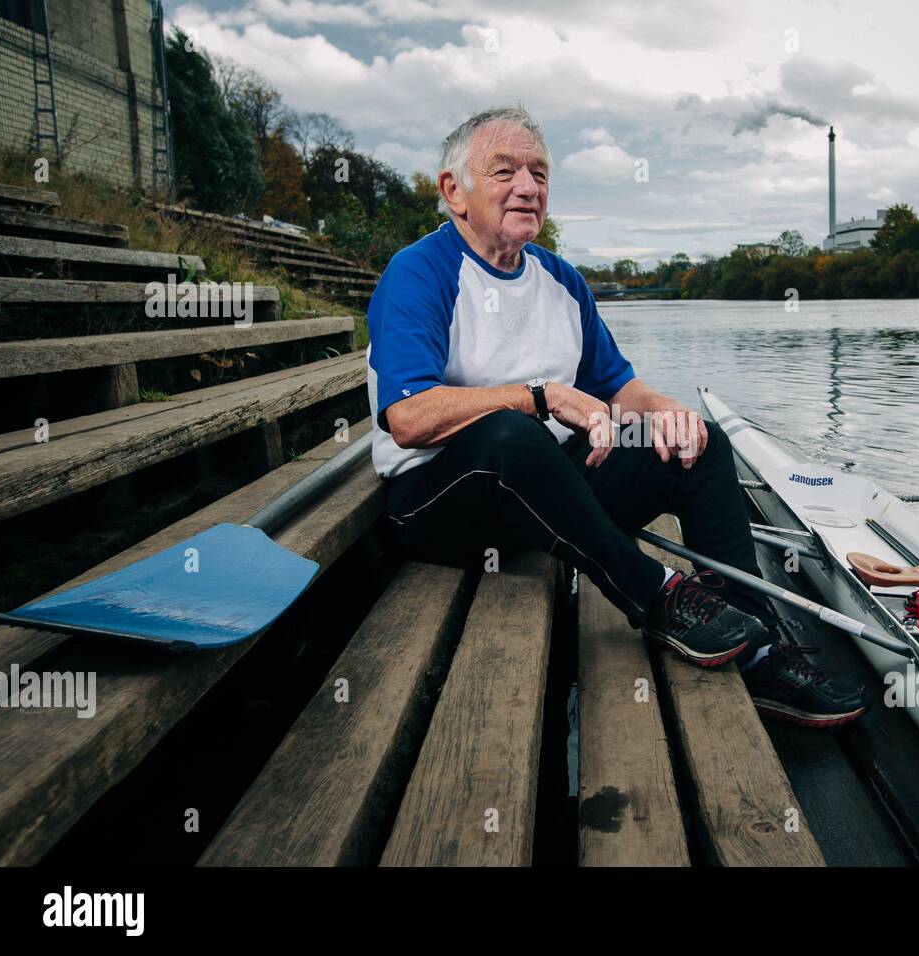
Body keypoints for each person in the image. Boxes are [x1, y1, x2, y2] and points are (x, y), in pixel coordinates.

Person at [365, 106, 865, 728]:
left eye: (539, 172)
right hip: (439, 508)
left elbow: (621, 389)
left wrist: (667, 413)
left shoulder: (561, 280)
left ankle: (756, 646)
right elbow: (408, 418)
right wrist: (540, 394)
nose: (528, 187)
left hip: (545, 502)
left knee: (698, 445)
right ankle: (658, 597)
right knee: (510, 427)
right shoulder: (420, 271)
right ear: (453, 192)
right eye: (504, 172)